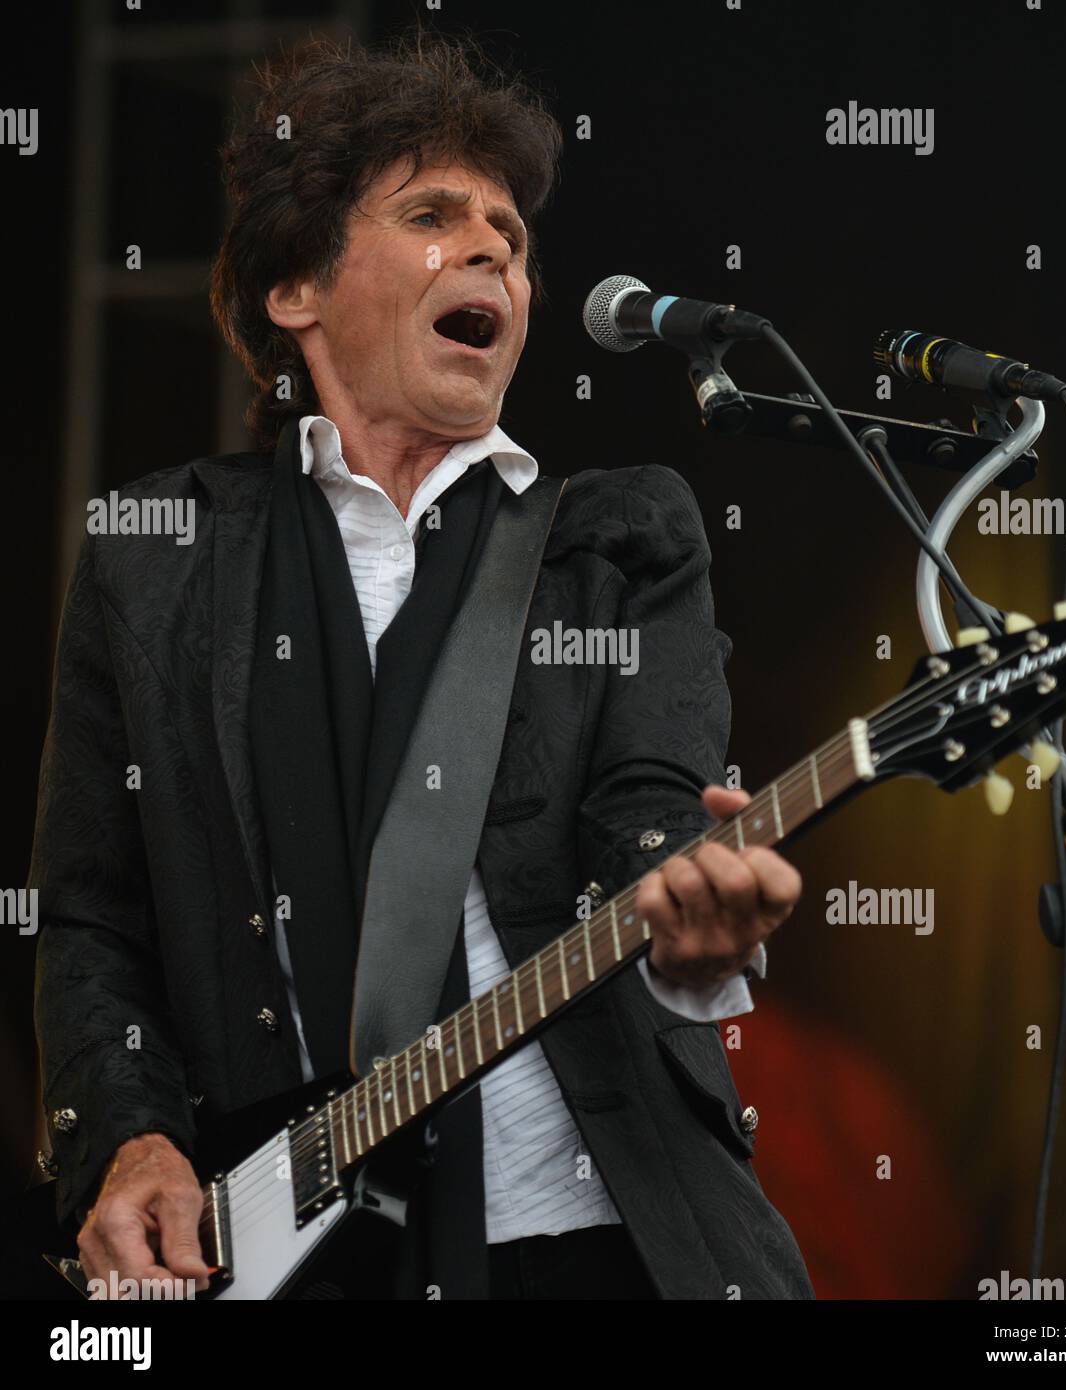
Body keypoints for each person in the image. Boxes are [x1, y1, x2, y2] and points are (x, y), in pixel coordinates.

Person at [30, 30, 812, 1300]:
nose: (494, 244)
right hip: (279, 1249)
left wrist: (693, 935)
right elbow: (91, 917)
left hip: (594, 1244)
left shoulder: (616, 535)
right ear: (296, 290)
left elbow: (652, 817)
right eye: (433, 213)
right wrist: (128, 1139)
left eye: (508, 227)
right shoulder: (157, 555)